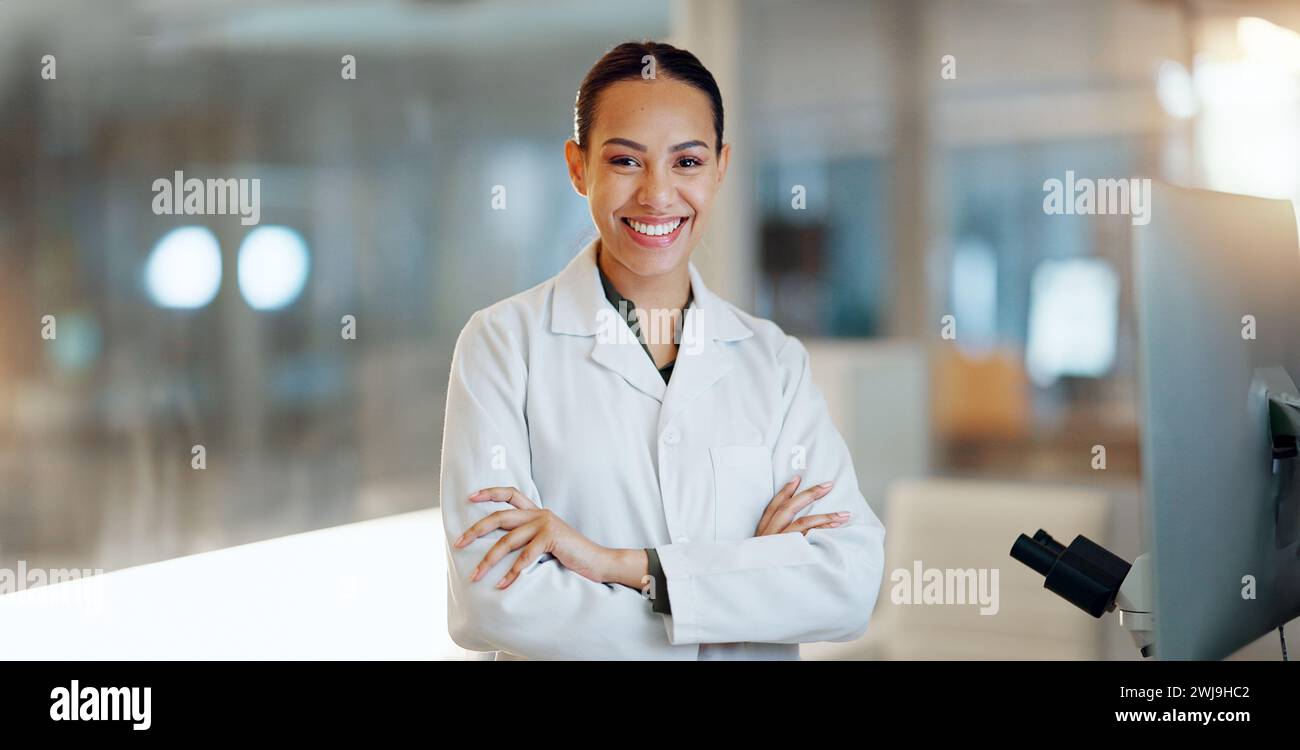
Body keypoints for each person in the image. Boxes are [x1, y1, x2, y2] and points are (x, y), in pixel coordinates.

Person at [439, 40, 885, 660]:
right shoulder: (503, 345)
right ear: (578, 167)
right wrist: (743, 588)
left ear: (721, 168)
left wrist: (620, 565)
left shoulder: (773, 361)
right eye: (625, 162)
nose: (657, 195)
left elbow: (847, 585)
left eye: (687, 162)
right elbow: (497, 599)